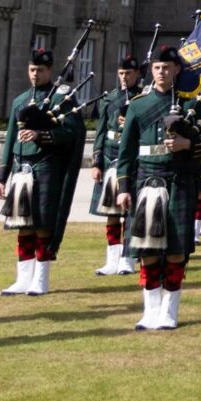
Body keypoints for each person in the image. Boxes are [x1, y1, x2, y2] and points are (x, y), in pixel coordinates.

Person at [115, 46, 200, 331]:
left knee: (175, 251)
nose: (161, 72)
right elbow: (126, 152)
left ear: (177, 69)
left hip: (178, 180)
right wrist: (123, 188)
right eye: (156, 67)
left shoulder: (191, 103)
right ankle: (150, 311)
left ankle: (169, 311)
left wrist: (188, 144)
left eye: (166, 67)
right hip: (146, 181)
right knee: (147, 250)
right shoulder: (138, 105)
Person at [0, 48, 84, 297]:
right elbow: (10, 139)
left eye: (41, 70)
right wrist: (2, 177)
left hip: (47, 166)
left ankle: (41, 279)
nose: (35, 74)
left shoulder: (62, 100)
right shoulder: (20, 101)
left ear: (50, 71)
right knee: (23, 224)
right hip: (21, 169)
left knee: (43, 224)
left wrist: (40, 135)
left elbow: (71, 133)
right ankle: (23, 279)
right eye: (32, 69)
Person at [90, 52, 143, 275]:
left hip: (133, 159)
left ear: (137, 74)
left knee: (130, 210)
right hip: (110, 157)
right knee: (111, 211)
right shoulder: (109, 99)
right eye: (121, 73)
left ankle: (128, 259)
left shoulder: (143, 99)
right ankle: (112, 258)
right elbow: (100, 132)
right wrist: (97, 162)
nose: (124, 77)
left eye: (128, 73)